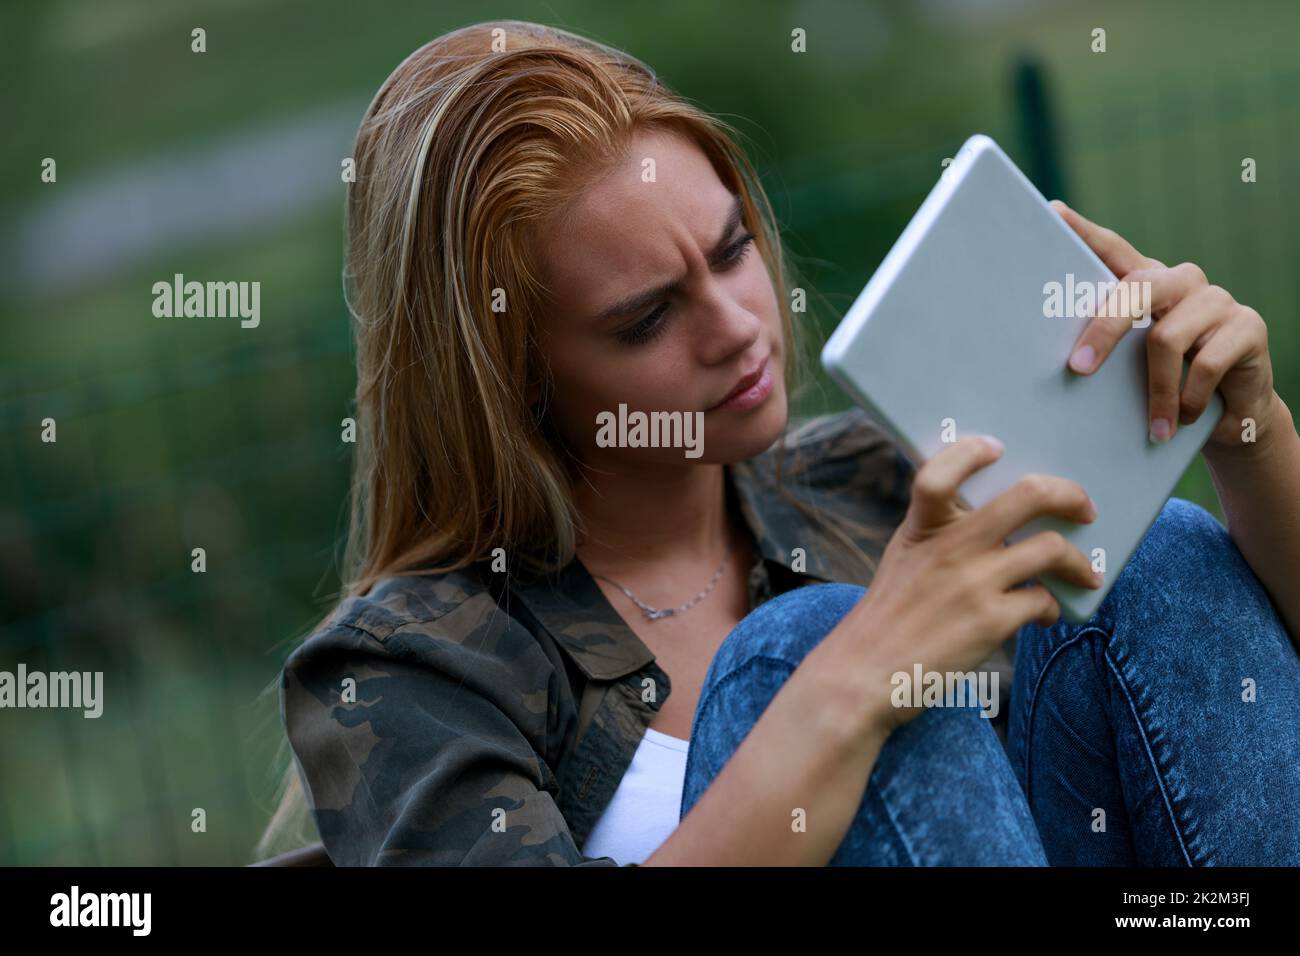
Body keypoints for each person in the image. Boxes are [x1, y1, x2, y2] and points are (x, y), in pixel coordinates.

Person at [257, 19, 1300, 866]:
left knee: (1153, 551)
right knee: (792, 652)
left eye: (732, 250)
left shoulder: (894, 475)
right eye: (646, 318)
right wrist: (860, 674)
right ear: (510, 378)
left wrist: (1250, 438)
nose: (737, 325)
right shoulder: (411, 667)